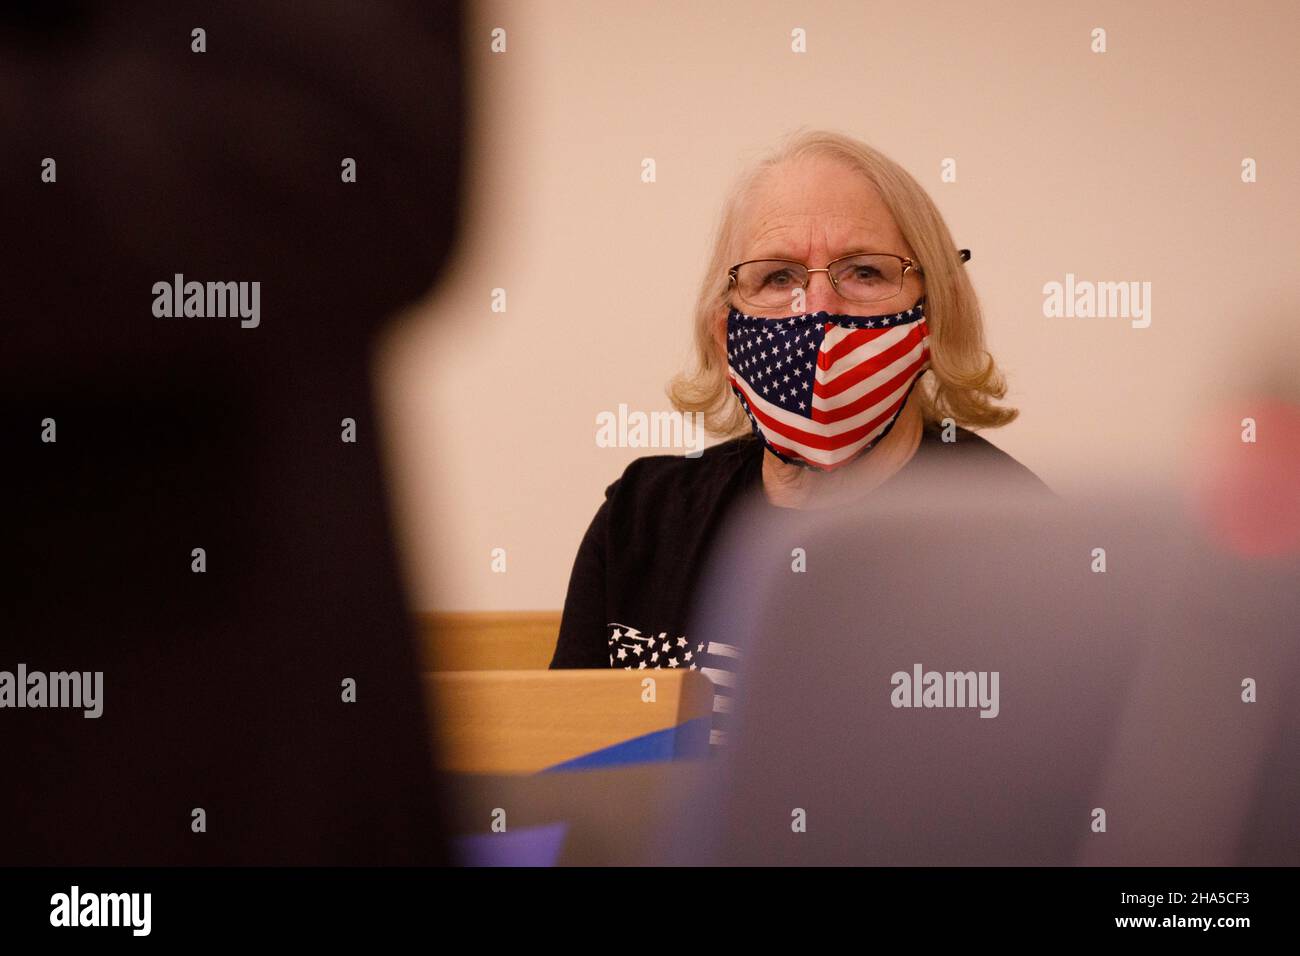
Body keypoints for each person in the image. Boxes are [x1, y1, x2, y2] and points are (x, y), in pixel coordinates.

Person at [549, 129, 1055, 739]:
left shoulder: (1024, 540)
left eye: (865, 272)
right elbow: (570, 765)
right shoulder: (642, 520)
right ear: (723, 332)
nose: (817, 310)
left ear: (933, 313)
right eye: (777, 277)